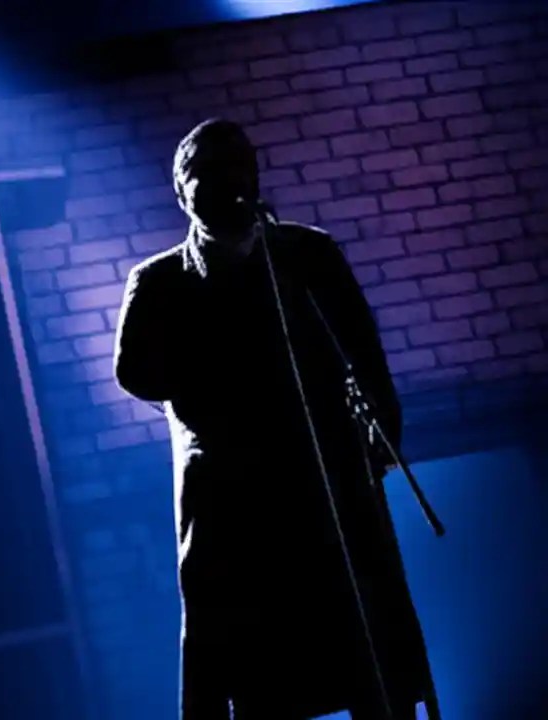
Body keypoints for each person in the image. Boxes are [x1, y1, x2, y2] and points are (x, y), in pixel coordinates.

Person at [113, 118, 438, 719]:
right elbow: (134, 374)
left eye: (232, 168)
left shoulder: (306, 254)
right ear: (180, 192)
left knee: (365, 636)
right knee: (251, 661)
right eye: (201, 174)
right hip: (231, 500)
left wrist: (379, 444)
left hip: (325, 477)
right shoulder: (157, 283)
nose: (220, 184)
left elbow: (364, 353)